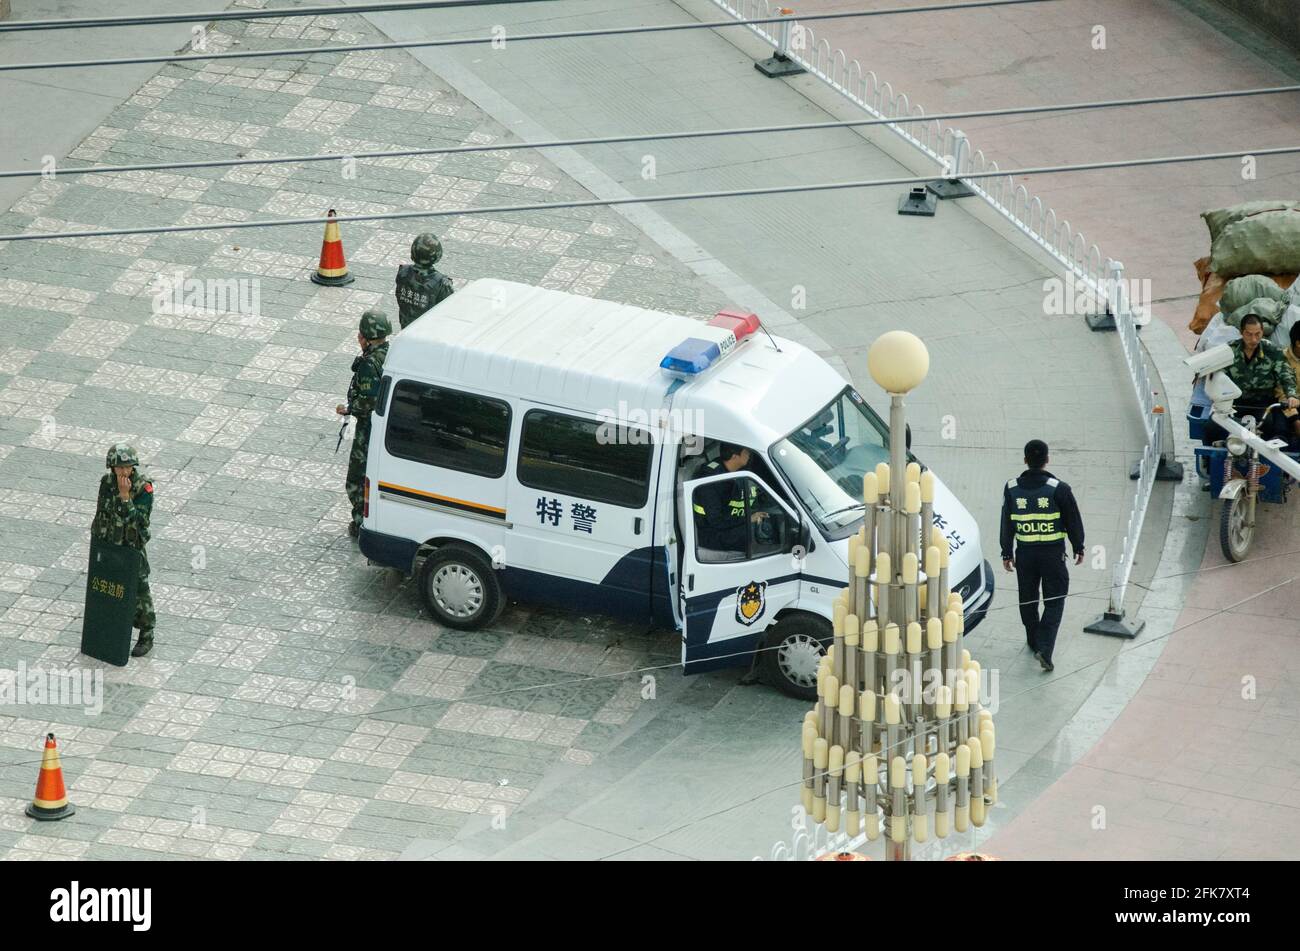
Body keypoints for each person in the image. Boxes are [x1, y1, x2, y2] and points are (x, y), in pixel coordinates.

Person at [1000, 439, 1084, 673]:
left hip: (1025, 555)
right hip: (1052, 556)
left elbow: (1006, 521)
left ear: (1025, 460)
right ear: (1047, 460)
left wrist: (1006, 551)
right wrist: (1079, 546)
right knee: (1054, 601)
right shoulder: (1059, 489)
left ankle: (1033, 639)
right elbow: (1073, 520)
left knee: (1027, 599)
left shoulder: (1012, 488)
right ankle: (1045, 649)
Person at [91, 443, 156, 657]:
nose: (124, 472)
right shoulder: (106, 483)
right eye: (119, 468)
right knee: (107, 589)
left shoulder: (143, 488)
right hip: (110, 545)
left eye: (127, 467)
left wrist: (125, 496)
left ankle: (146, 634)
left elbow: (139, 521)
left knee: (139, 590)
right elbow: (103, 512)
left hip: (130, 547)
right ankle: (109, 631)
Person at [1200, 312, 1299, 445]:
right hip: (1233, 405)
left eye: (1257, 334)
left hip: (1262, 406)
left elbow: (1285, 373)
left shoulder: (1272, 351)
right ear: (1242, 332)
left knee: (1271, 429)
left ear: (1262, 332)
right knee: (1211, 427)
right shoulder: (1230, 350)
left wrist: (1292, 395)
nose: (1253, 340)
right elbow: (1216, 374)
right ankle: (1209, 461)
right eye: (1249, 334)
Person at [337, 310, 391, 538]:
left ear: (363, 337)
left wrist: (349, 409)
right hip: (387, 427)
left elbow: (368, 401)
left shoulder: (369, 364)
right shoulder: (392, 352)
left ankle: (361, 522)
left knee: (357, 478)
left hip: (369, 429)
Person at [693, 443, 764, 556]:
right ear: (735, 456)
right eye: (746, 451)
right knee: (760, 538)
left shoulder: (730, 468)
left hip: (729, 523)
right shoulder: (710, 481)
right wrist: (748, 519)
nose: (749, 453)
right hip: (712, 533)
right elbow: (717, 521)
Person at [395, 233, 454, 329]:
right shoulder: (442, 284)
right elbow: (449, 313)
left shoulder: (403, 272)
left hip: (405, 331)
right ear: (437, 256)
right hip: (427, 336)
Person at [1282, 321, 1300, 449]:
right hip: (1286, 406)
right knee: (1280, 430)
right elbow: (1281, 393)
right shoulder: (1282, 359)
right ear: (1298, 344)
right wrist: (1295, 419)